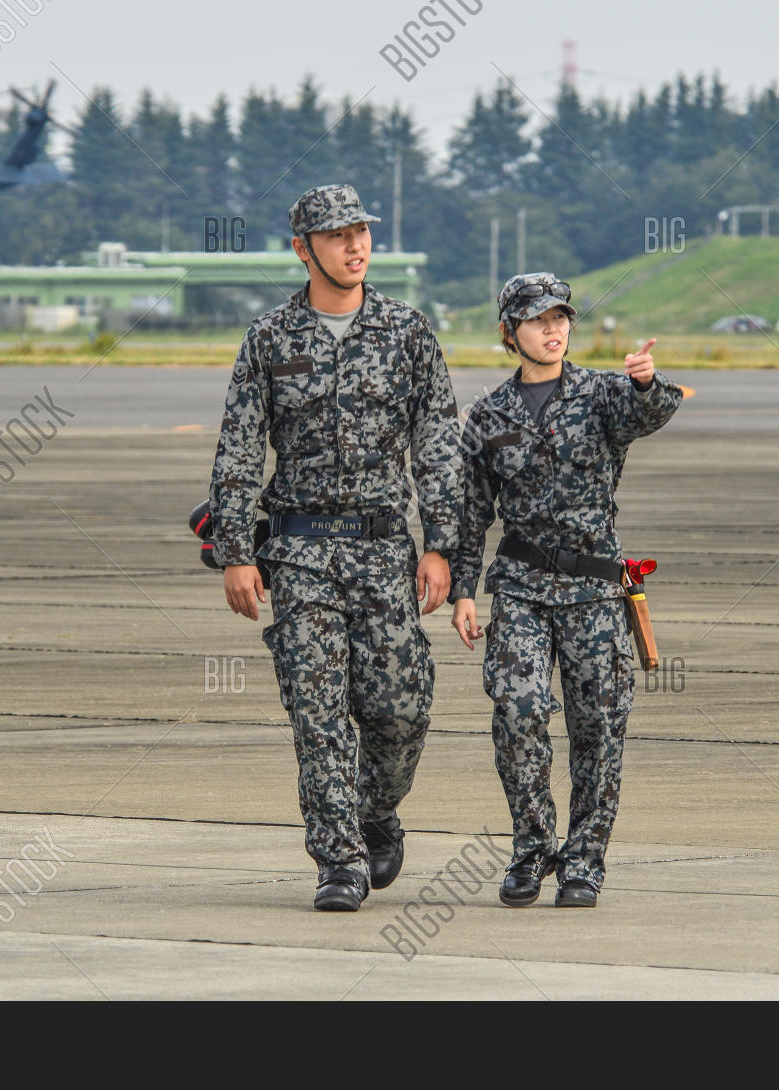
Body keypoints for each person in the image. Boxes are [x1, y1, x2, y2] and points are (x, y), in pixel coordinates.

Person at [207, 184, 462, 912]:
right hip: (300, 552)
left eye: (361, 233)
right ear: (302, 248)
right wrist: (235, 549)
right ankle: (340, 859)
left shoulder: (408, 331)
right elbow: (238, 449)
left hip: (385, 551)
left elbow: (438, 444)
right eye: (337, 235)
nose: (354, 246)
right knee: (317, 711)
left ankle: (374, 810)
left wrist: (442, 545)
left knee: (401, 707)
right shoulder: (269, 338)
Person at [449, 273, 682, 908]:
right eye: (536, 320)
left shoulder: (604, 394)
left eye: (560, 318)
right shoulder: (488, 414)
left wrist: (643, 380)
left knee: (598, 727)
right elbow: (471, 513)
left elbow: (651, 411)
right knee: (519, 712)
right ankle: (531, 849)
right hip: (521, 586)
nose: (552, 329)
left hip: (595, 588)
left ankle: (584, 860)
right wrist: (463, 591)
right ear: (508, 332)